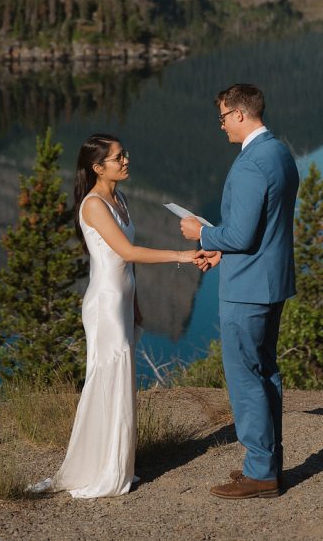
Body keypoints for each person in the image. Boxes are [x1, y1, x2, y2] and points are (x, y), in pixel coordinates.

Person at [28, 133, 201, 499]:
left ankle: (118, 464)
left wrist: (135, 304)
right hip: (105, 305)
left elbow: (126, 265)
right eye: (118, 157)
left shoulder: (118, 198)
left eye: (124, 154)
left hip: (121, 303)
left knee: (120, 381)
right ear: (97, 167)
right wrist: (181, 256)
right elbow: (127, 252)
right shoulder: (93, 205)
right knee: (106, 379)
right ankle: (100, 468)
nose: (126, 161)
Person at [180, 84, 299, 499]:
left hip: (247, 289)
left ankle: (261, 474)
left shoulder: (251, 163)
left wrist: (203, 234)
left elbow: (242, 235)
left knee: (245, 378)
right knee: (265, 372)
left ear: (240, 114)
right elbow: (265, 228)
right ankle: (266, 463)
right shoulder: (280, 152)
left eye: (223, 117)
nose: (222, 126)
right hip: (271, 281)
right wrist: (221, 250)